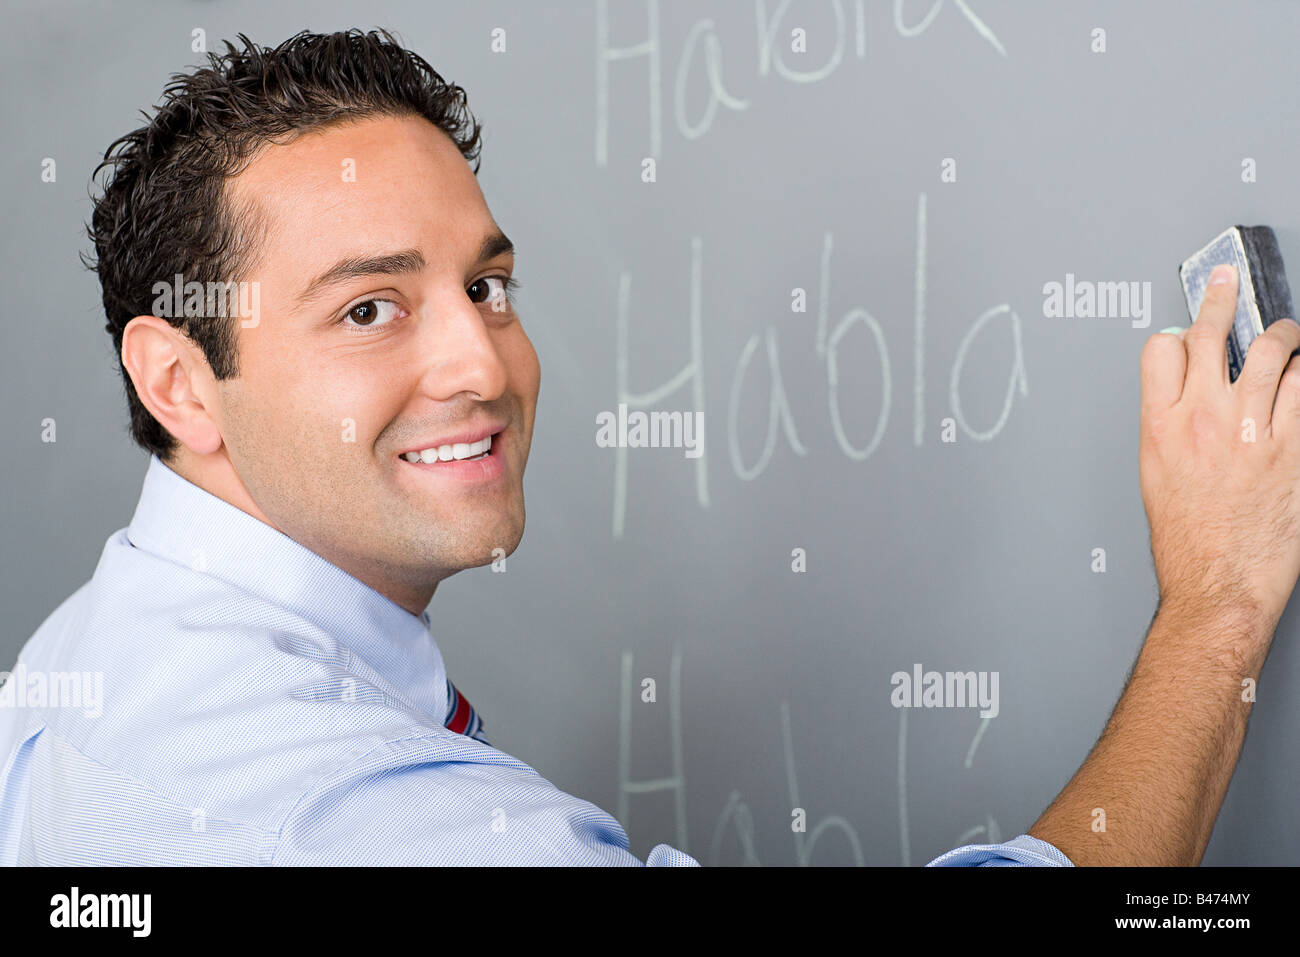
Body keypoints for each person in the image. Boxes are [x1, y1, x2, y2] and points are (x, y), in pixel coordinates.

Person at [1, 29, 1292, 868]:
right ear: (181, 381)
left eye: (487, 285)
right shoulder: (340, 812)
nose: (482, 363)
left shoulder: (92, 655)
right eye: (369, 308)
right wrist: (1218, 608)